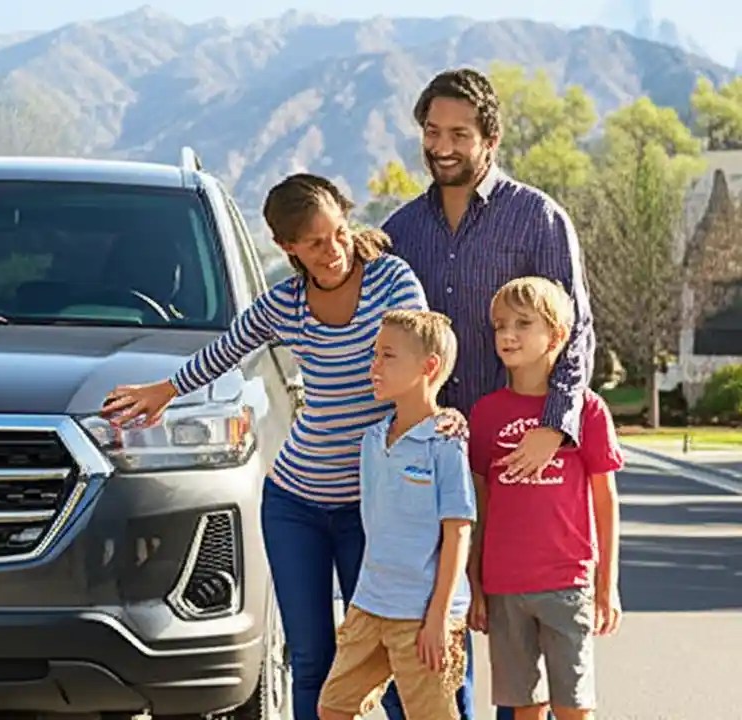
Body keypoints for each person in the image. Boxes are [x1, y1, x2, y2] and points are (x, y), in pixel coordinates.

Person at [101, 173, 447, 720]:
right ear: (288, 247)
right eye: (313, 243)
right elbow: (224, 351)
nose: (332, 250)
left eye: (338, 232)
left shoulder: (391, 282)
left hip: (372, 507)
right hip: (295, 504)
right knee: (313, 659)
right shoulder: (285, 304)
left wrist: (436, 421)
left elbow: (425, 356)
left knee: (392, 654)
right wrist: (162, 391)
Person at [382, 67, 596, 720]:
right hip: (433, 456)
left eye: (458, 133)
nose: (442, 145)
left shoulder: (536, 218)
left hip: (511, 455)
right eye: (431, 131)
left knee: (513, 633)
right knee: (435, 625)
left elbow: (576, 325)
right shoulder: (401, 230)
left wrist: (554, 425)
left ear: (490, 139)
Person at [467, 277, 623, 720]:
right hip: (504, 585)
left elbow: (605, 501)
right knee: (524, 708)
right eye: (499, 325)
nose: (507, 335)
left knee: (574, 707)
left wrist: (605, 586)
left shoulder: (586, 412)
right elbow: (480, 501)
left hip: (567, 583)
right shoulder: (486, 413)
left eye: (522, 323)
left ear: (556, 335)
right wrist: (476, 583)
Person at [316, 309, 476, 720]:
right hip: (369, 605)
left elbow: (458, 531)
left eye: (387, 356)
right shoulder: (371, 440)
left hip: (422, 614)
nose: (374, 366)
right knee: (333, 707)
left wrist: (438, 616)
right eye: (374, 354)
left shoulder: (445, 443)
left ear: (429, 367)